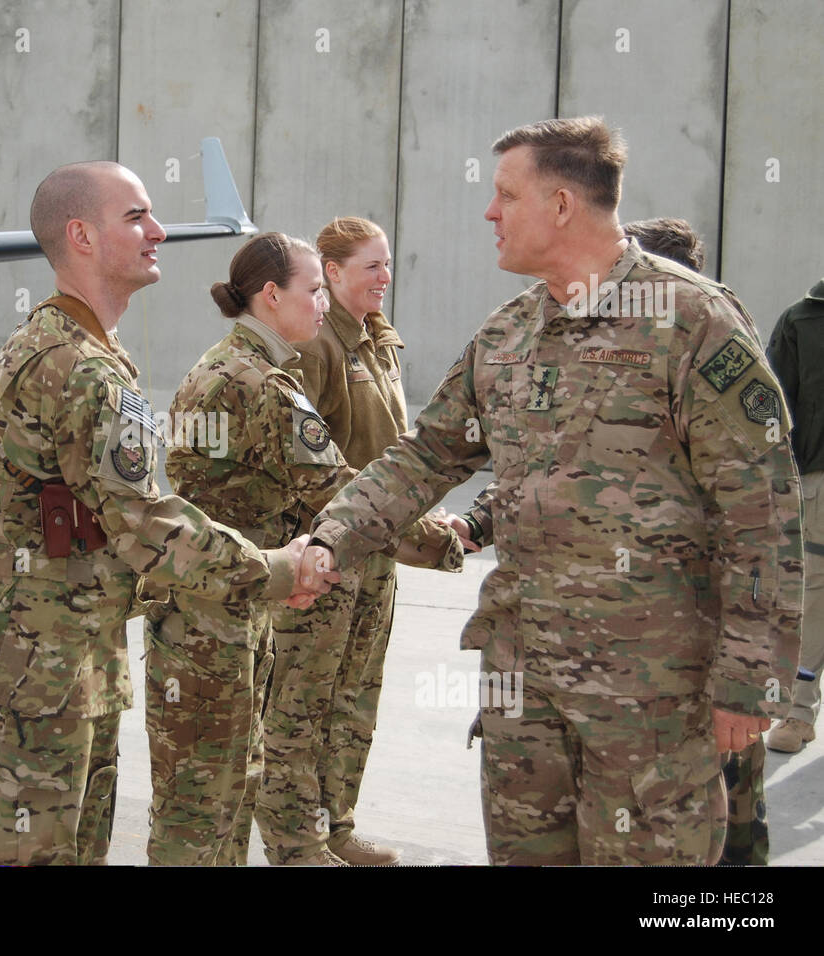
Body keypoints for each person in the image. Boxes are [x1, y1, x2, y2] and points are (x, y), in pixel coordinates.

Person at [299, 116, 802, 865]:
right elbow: (426, 455)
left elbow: (761, 510)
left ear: (561, 205)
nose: (488, 212)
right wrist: (329, 540)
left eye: (506, 194)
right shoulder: (507, 336)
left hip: (651, 703)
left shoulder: (691, 321)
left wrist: (750, 676)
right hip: (524, 693)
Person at [0, 164, 335, 866]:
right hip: (36, 683)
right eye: (137, 217)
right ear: (81, 236)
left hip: (64, 667)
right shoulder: (76, 365)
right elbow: (147, 524)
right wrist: (274, 568)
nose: (159, 231)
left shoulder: (82, 353)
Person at [147, 233, 361, 866]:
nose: (324, 303)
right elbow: (338, 489)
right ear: (272, 295)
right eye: (314, 289)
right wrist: (449, 535)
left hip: (203, 605)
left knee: (205, 796)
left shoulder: (215, 365)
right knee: (208, 804)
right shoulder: (265, 385)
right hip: (224, 613)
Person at [256, 217, 462, 866]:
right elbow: (318, 473)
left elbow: (388, 457)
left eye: (388, 264)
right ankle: (296, 845)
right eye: (370, 266)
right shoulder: (313, 352)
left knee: (353, 701)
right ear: (333, 273)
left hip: (378, 555)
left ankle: (333, 826)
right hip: (327, 557)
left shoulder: (379, 342)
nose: (385, 278)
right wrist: (427, 534)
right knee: (300, 707)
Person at [766, 276, 824, 758]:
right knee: (814, 594)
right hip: (818, 481)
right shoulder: (802, 321)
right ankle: (799, 712)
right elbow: (772, 406)